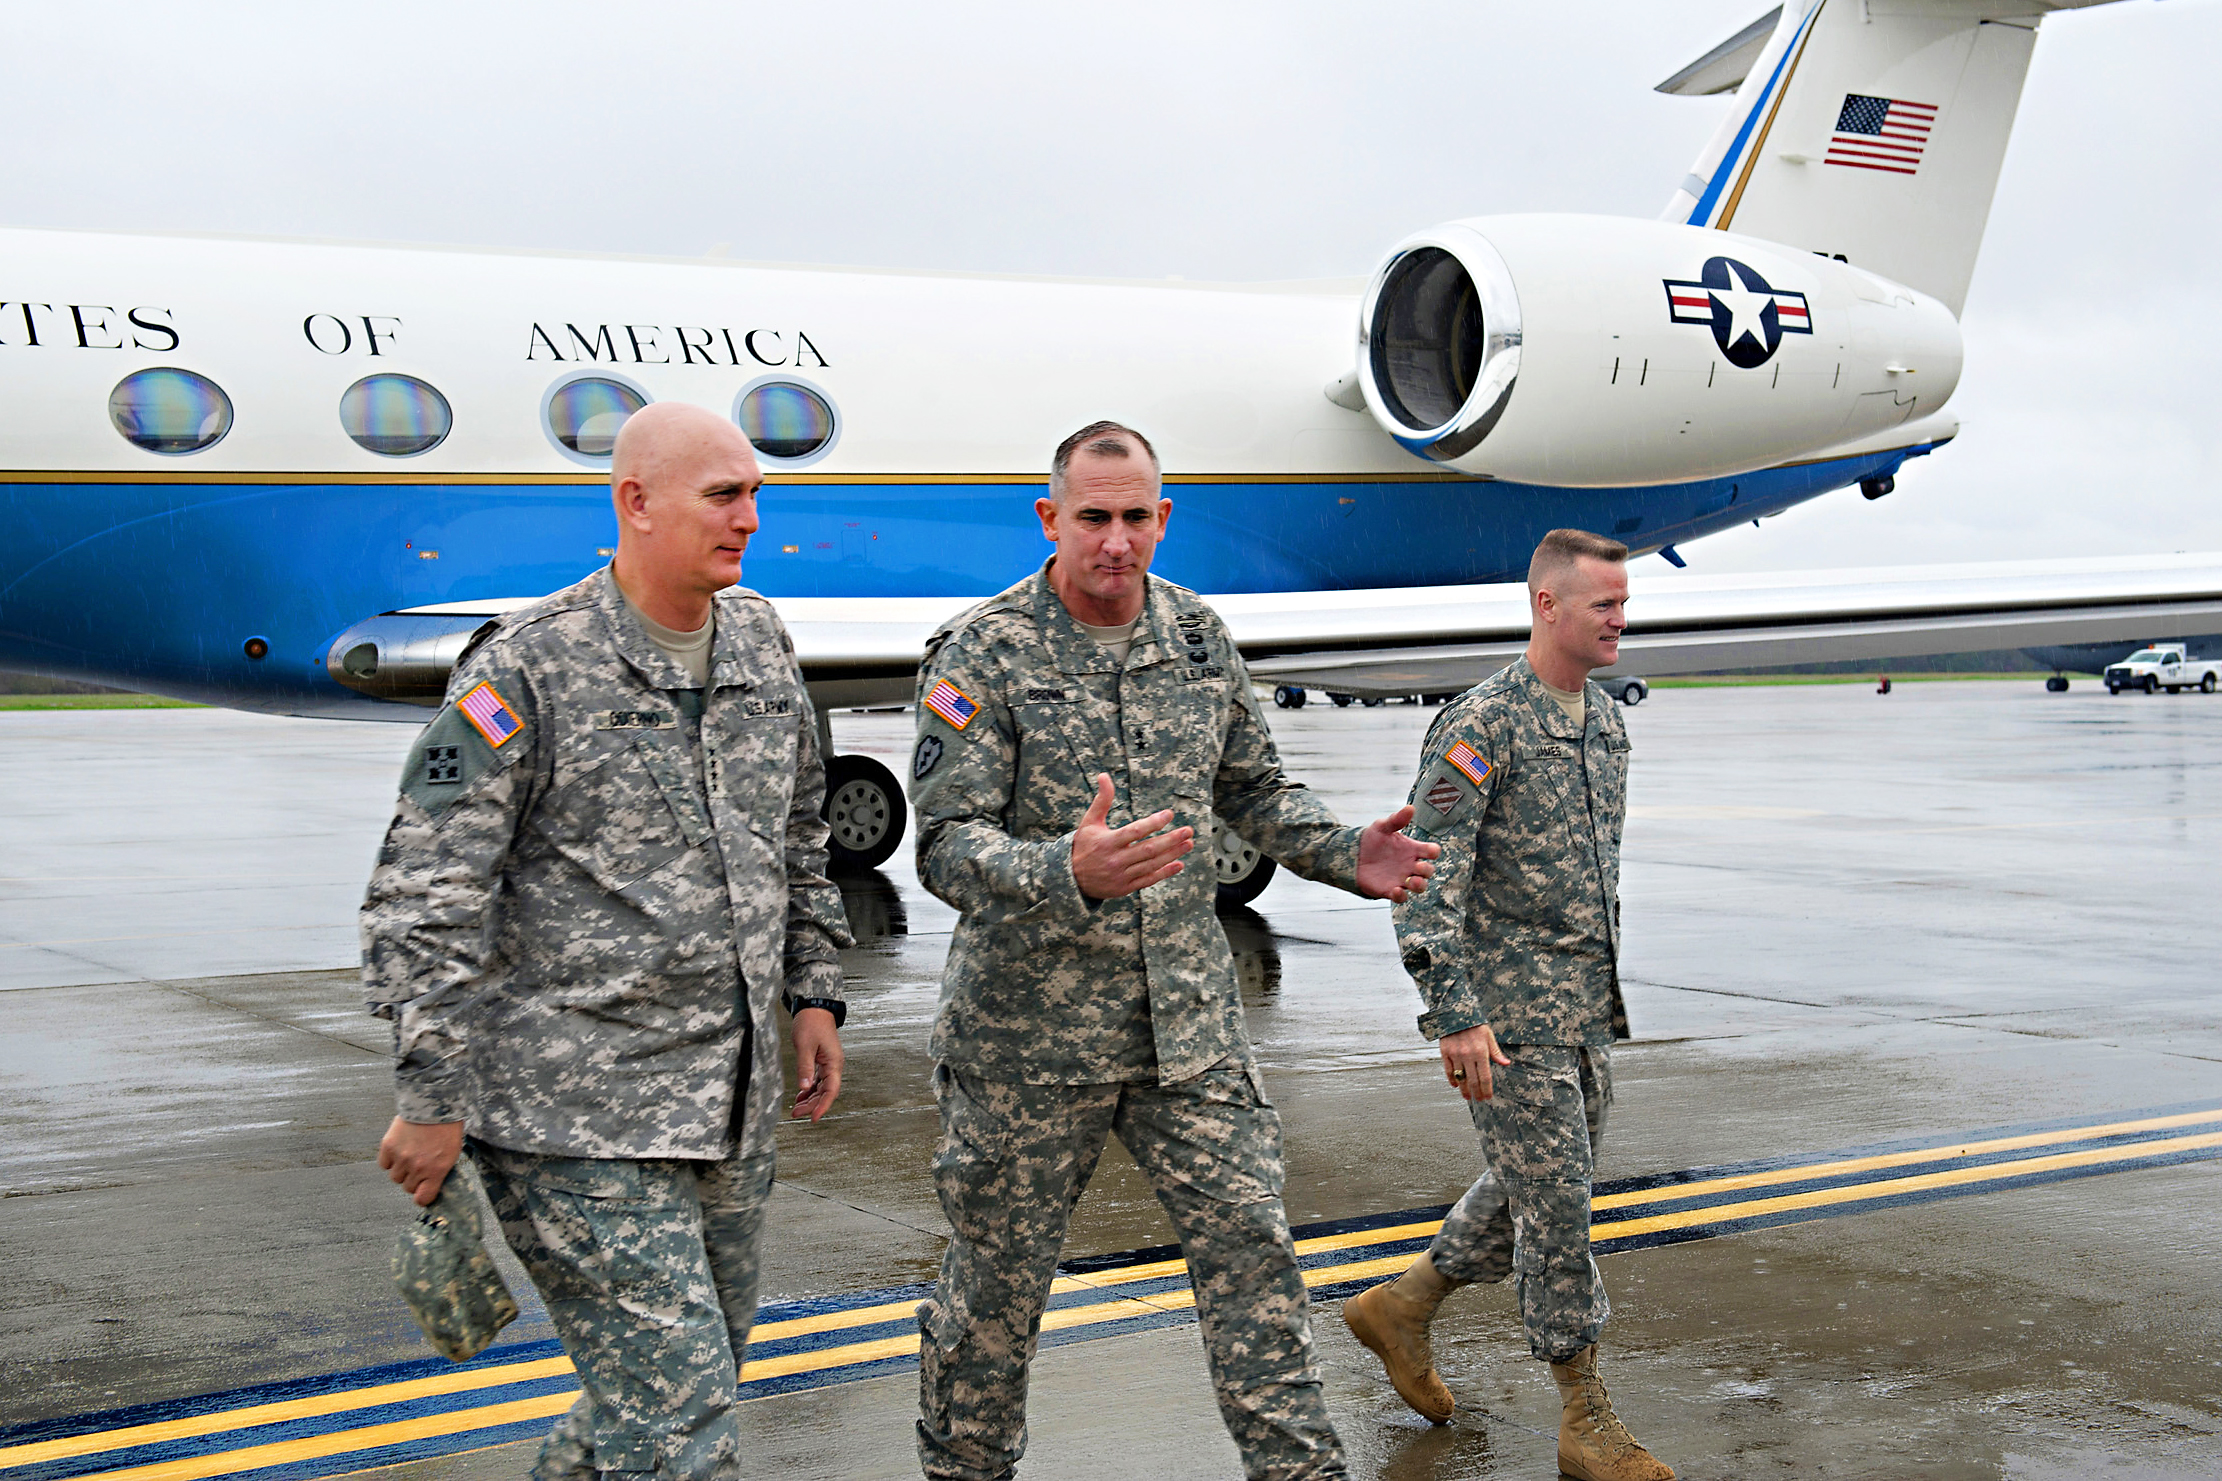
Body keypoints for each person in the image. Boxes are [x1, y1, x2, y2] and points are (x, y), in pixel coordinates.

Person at [906, 421, 1442, 1481]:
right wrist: (1065, 868)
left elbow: (1250, 786)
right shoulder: (982, 652)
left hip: (1187, 1033)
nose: (1115, 540)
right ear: (1049, 517)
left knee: (1253, 1257)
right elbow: (944, 844)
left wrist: (1347, 851)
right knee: (995, 1296)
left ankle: (1299, 1470)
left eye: (1135, 517)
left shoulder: (1197, 637)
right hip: (1028, 1046)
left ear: (1163, 518)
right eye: (1092, 516)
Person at [364, 401, 854, 1481]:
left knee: (678, 1388)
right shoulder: (522, 670)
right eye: (722, 494)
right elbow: (422, 887)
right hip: (570, 1110)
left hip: (725, 1101)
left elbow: (798, 831)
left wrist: (813, 992)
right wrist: (430, 1091)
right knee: (677, 1416)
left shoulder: (763, 642)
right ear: (634, 501)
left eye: (755, 493)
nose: (749, 518)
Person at [1341, 528, 1675, 1481]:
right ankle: (1585, 1415)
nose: (1620, 619)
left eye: (1625, 604)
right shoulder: (1480, 726)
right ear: (1547, 605)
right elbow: (1428, 885)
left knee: (1538, 1182)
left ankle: (1403, 1304)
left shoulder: (1606, 724)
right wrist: (1455, 1013)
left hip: (1582, 1012)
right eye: (1603, 603)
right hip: (1506, 1018)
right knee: (1560, 1204)